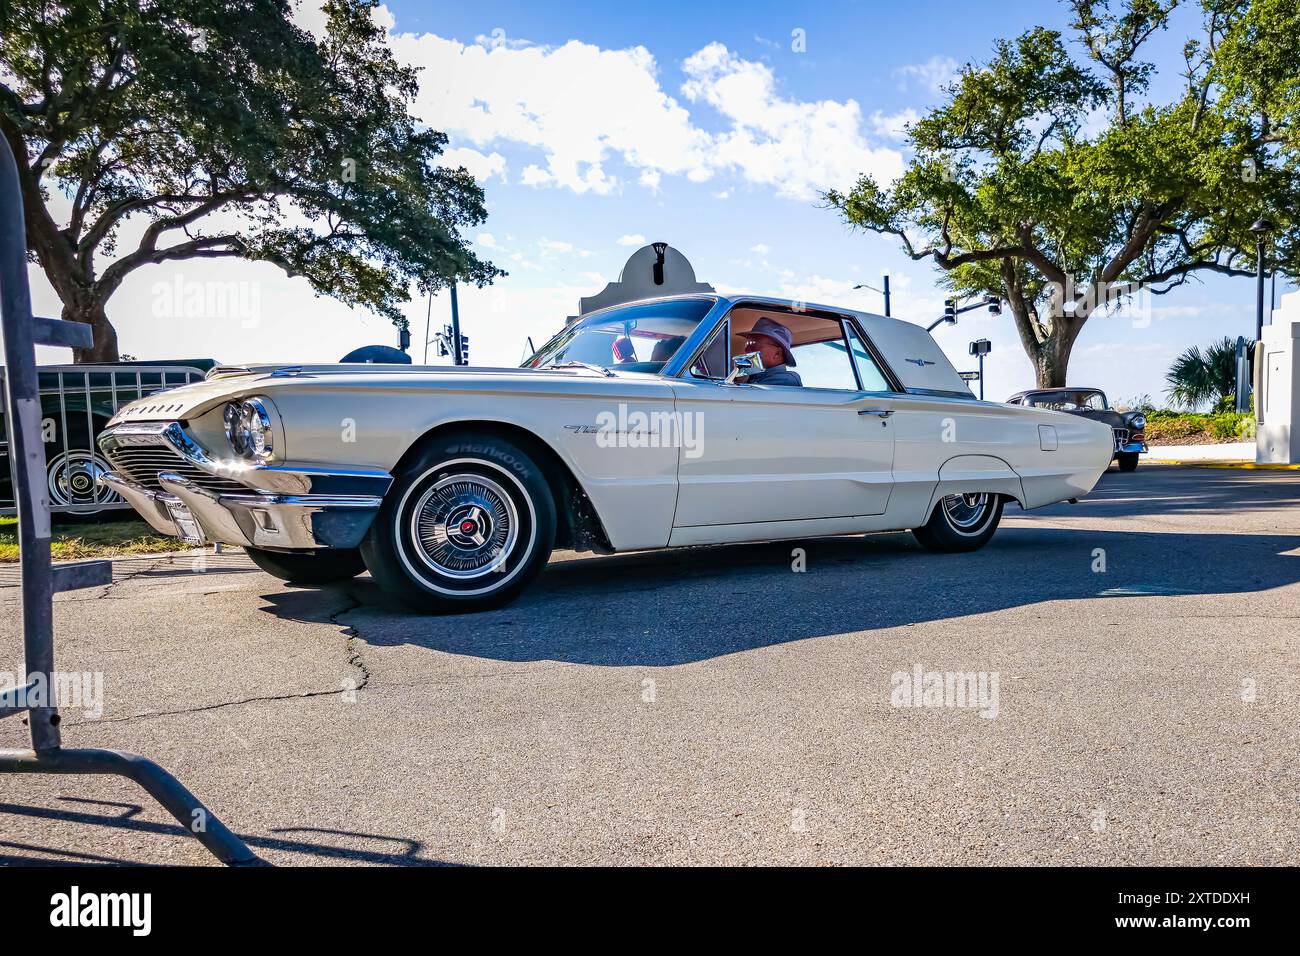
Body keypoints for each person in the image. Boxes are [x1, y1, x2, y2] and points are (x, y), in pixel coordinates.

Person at [741, 317, 802, 386]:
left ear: (777, 353)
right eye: (748, 344)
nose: (747, 350)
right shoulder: (754, 377)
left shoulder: (786, 380)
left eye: (754, 345)